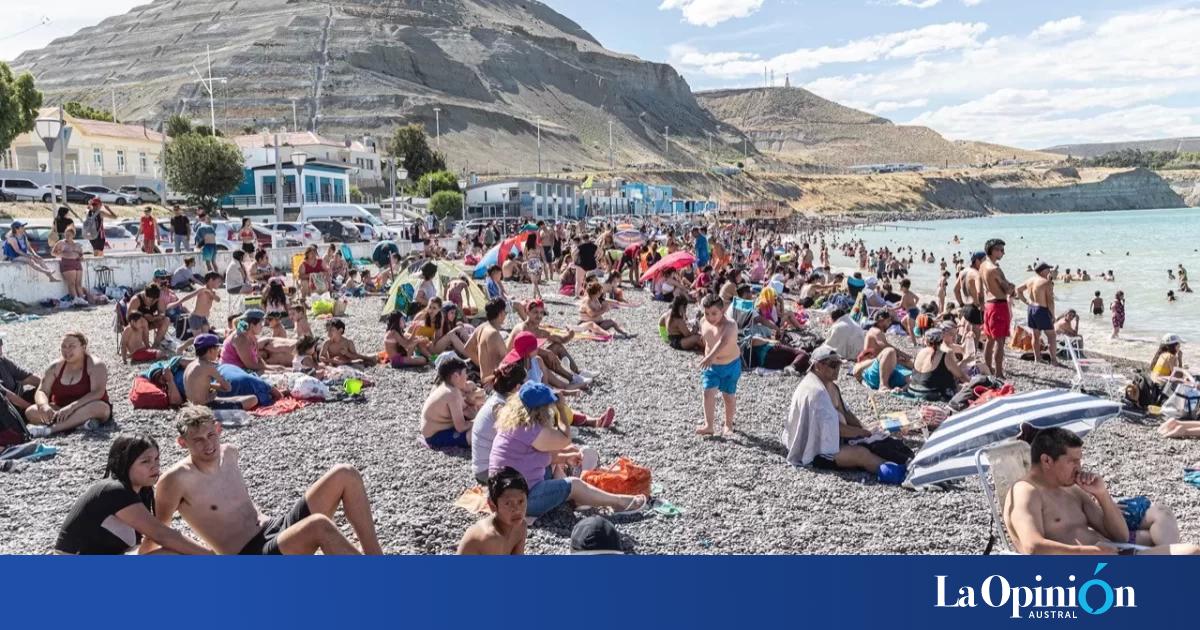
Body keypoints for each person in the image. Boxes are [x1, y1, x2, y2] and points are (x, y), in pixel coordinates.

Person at [154, 406, 383, 555]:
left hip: (274, 527)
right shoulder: (175, 480)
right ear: (182, 443)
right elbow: (157, 533)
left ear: (218, 429)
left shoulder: (229, 453)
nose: (208, 445)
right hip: (250, 553)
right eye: (198, 440)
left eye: (210, 435)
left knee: (345, 474)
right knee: (319, 526)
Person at [1005, 427, 1199, 555]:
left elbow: (1120, 535)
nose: (1079, 467)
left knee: (1187, 551)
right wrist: (1092, 552)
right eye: (1073, 461)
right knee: (1190, 554)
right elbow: (1032, 547)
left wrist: (1102, 495)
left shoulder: (1071, 490)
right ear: (1047, 460)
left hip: (1112, 553)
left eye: (1080, 460)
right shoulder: (1026, 492)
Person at [489, 382, 646, 518]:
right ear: (541, 409)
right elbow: (565, 438)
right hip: (521, 501)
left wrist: (565, 457)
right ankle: (617, 502)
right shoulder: (531, 430)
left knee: (561, 464)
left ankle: (578, 495)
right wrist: (562, 408)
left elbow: (538, 457)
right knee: (575, 484)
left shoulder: (514, 424)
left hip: (506, 493)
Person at [55, 434, 211, 555]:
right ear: (125, 462)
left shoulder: (140, 491)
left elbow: (151, 541)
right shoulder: (115, 491)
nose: (155, 466)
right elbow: (162, 535)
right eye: (145, 461)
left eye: (157, 459)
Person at [781, 348, 906, 483]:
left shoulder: (830, 385)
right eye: (833, 365)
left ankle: (903, 464)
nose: (837, 369)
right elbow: (835, 428)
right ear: (818, 366)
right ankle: (899, 474)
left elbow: (846, 413)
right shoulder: (815, 393)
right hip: (816, 451)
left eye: (839, 365)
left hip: (833, 440)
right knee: (861, 454)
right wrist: (863, 433)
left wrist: (866, 430)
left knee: (876, 433)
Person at [25, 332, 111, 437]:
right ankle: (78, 423)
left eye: (72, 346)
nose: (67, 350)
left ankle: (51, 429)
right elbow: (42, 390)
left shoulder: (96, 365)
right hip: (60, 409)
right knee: (31, 411)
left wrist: (71, 407)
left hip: (86, 407)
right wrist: (44, 405)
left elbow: (97, 392)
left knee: (101, 408)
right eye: (64, 347)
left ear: (83, 347)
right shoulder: (55, 367)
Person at [471, 362, 527, 484]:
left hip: (483, 466)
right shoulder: (500, 408)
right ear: (517, 387)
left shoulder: (497, 399)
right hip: (488, 471)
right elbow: (516, 440)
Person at [457, 467, 528, 555]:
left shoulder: (521, 526)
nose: (516, 509)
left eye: (521, 501)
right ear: (492, 505)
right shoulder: (490, 536)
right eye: (508, 503)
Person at [698, 294, 740, 437]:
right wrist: (707, 356)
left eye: (714, 313)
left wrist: (709, 357)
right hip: (712, 366)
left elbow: (723, 341)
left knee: (728, 396)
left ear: (722, 311)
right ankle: (709, 425)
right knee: (708, 393)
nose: (710, 317)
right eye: (707, 313)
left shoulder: (730, 324)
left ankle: (728, 425)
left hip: (730, 364)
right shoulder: (703, 321)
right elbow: (707, 341)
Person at [185, 334, 260, 410]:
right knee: (253, 399)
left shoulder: (190, 365)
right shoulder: (208, 367)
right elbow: (227, 388)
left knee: (231, 398)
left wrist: (210, 386)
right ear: (210, 350)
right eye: (217, 348)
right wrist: (218, 386)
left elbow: (198, 387)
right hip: (206, 408)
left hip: (192, 407)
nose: (218, 351)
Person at [420, 357, 475, 449]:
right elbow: (461, 427)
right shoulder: (452, 395)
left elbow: (465, 409)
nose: (467, 377)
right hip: (435, 435)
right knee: (476, 433)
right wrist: (477, 422)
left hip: (438, 428)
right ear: (456, 376)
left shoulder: (446, 387)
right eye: (465, 374)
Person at [980, 239, 1015, 379]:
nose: (1003, 253)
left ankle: (988, 368)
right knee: (1000, 341)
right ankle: (999, 372)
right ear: (992, 250)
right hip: (998, 305)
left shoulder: (983, 265)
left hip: (989, 305)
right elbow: (1007, 289)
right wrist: (1012, 287)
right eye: (1000, 250)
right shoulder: (995, 269)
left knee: (989, 340)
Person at [853, 310, 912, 392]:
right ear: (881, 321)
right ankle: (883, 385)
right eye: (888, 321)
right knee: (890, 351)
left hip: (879, 368)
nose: (890, 323)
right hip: (871, 369)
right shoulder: (875, 331)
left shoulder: (876, 332)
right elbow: (885, 346)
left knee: (910, 373)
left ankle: (903, 387)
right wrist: (905, 355)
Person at [906, 328, 967, 402]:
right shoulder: (944, 355)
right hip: (930, 394)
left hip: (912, 389)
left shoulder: (920, 352)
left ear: (926, 341)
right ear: (941, 340)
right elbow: (961, 376)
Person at [1016, 262, 1059, 366]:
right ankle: (1053, 360)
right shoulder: (1046, 282)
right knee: (1051, 336)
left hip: (1031, 308)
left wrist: (1026, 301)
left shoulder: (1030, 280)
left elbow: (1018, 289)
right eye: (1048, 269)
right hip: (1042, 310)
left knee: (1035, 335)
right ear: (1042, 271)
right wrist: (1053, 315)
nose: (1049, 271)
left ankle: (1037, 358)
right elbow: (1050, 301)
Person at [464, 298, 509, 386]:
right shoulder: (494, 334)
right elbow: (507, 361)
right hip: (494, 384)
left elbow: (467, 349)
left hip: (484, 379)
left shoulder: (482, 327)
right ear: (501, 314)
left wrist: (482, 365)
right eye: (505, 312)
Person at [0, 336, 41, 415]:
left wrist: (49, 385)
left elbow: (28, 377)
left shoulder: (3, 361)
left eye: (0, 342)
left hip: (17, 403)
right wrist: (31, 408)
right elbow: (7, 395)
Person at [51, 224, 89, 306]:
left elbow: (82, 255)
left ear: (73, 235)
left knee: (78, 283)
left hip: (77, 263)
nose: (67, 236)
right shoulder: (61, 243)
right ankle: (75, 299)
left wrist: (80, 256)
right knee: (71, 283)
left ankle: (81, 298)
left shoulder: (77, 244)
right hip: (67, 264)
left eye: (69, 235)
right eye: (66, 234)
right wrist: (63, 254)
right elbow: (53, 253)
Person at [128, 284, 170, 348]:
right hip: (137, 324)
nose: (152, 302)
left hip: (151, 322)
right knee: (143, 321)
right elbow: (128, 317)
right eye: (150, 300)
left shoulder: (158, 299)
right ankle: (147, 347)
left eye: (155, 300)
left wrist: (154, 318)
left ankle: (155, 345)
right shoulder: (136, 300)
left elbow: (162, 313)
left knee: (166, 320)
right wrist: (142, 317)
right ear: (145, 295)